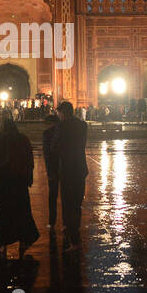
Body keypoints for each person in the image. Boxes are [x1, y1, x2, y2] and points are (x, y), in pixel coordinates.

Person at [0, 116, 39, 249]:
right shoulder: (23, 139)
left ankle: (4, 242)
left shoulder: (0, 140)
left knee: (5, 212)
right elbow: (30, 160)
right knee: (23, 211)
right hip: (21, 179)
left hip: (5, 179)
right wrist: (30, 177)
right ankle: (25, 239)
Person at [55, 100, 88, 244]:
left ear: (63, 113)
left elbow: (55, 146)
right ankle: (76, 226)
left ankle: (70, 229)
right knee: (77, 199)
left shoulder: (61, 126)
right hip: (80, 166)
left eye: (59, 113)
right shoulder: (82, 125)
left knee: (67, 200)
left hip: (67, 167)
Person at [41, 113, 61, 228]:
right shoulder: (64, 132)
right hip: (64, 167)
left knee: (52, 196)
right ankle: (65, 223)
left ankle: (52, 221)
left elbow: (47, 154)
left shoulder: (47, 133)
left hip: (53, 168)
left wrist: (49, 171)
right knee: (66, 196)